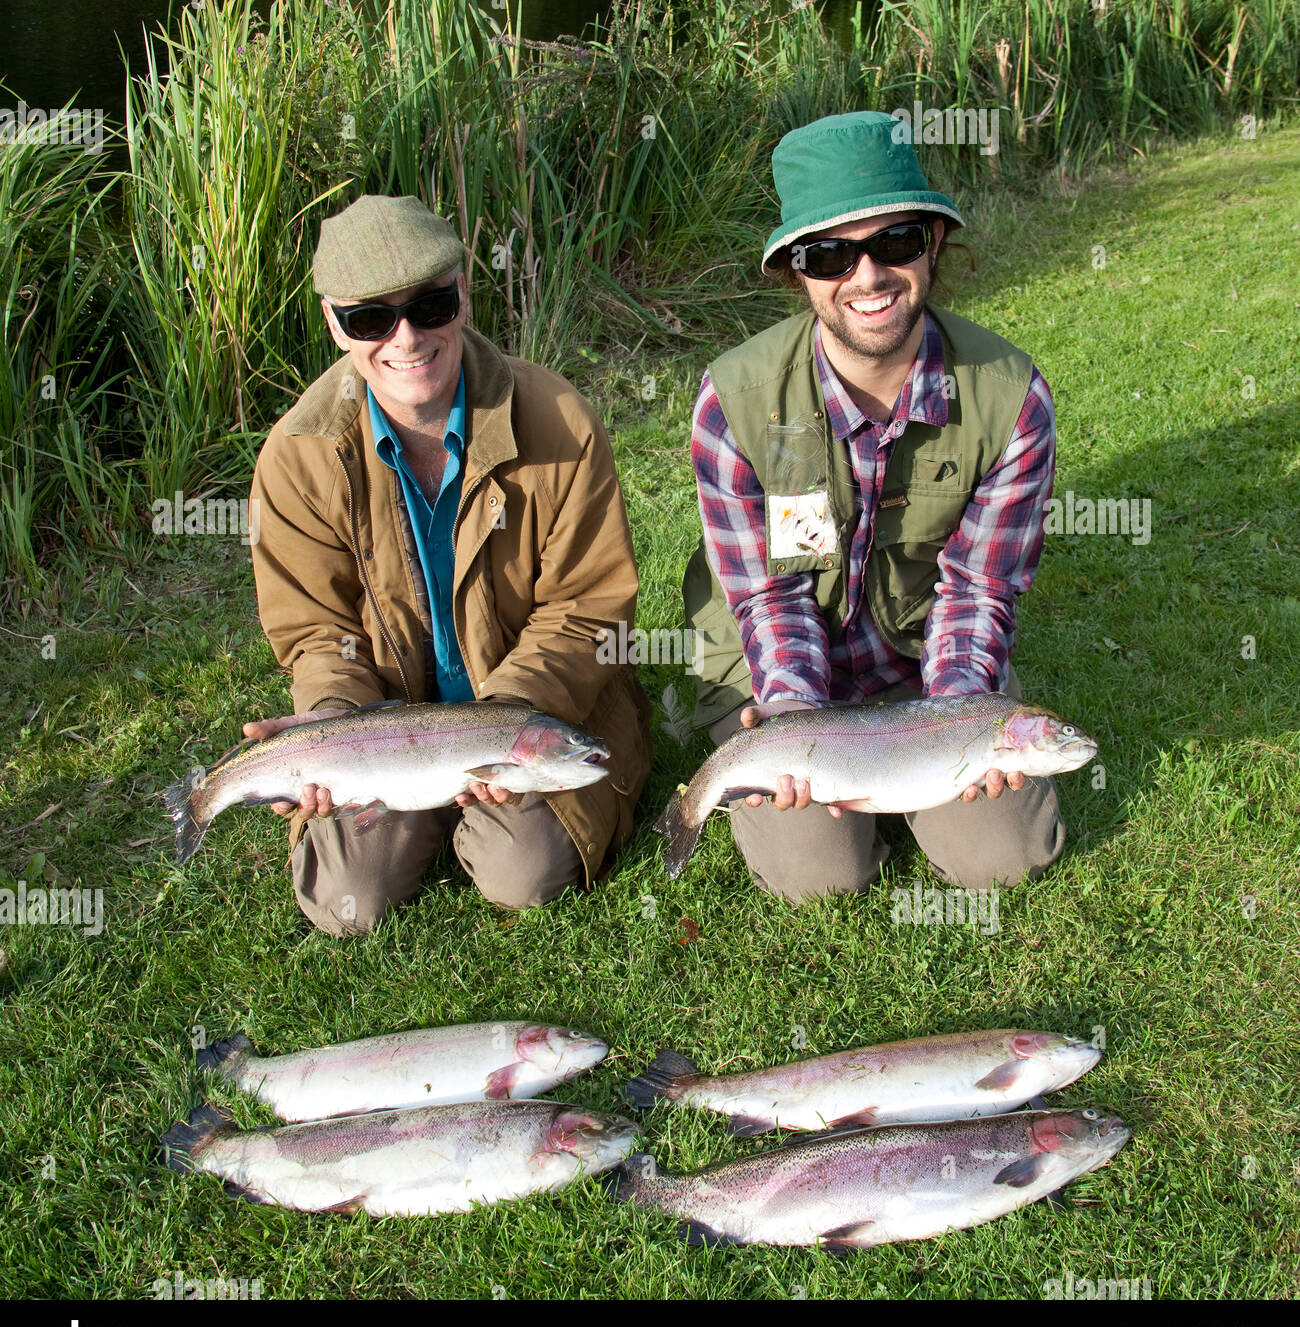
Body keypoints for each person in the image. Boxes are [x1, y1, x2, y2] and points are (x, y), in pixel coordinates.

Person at [682, 111, 1064, 904]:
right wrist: (793, 724)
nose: (867, 277)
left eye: (894, 242)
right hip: (773, 672)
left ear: (932, 244)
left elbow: (980, 590)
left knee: (1004, 853)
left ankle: (914, 775)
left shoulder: (1013, 399)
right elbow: (767, 595)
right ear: (796, 270)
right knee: (817, 875)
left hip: (920, 672)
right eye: (829, 254)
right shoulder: (732, 404)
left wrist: (960, 720)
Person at [246, 194, 651, 934]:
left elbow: (590, 607)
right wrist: (329, 723)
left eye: (429, 306)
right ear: (335, 323)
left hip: (530, 706)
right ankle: (401, 811)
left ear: (463, 294)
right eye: (372, 319)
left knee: (525, 874)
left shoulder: (559, 417)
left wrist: (507, 719)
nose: (406, 338)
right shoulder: (296, 455)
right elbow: (314, 632)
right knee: (350, 901)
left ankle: (490, 818)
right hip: (380, 723)